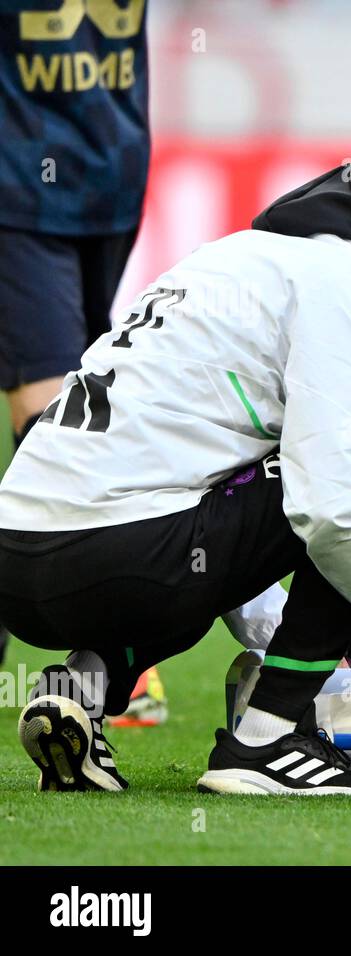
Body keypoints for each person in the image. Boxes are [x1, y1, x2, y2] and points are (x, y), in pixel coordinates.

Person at [0, 144, 351, 796]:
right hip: (123, 552)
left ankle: (81, 688)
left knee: (192, 560)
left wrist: (275, 632)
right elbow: (332, 505)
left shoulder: (233, 256)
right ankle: (265, 739)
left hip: (22, 564)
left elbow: (223, 515)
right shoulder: (343, 289)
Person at [0, 0, 156, 689]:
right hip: (19, 189)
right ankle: (104, 645)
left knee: (94, 416)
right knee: (49, 424)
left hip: (112, 182)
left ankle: (105, 642)